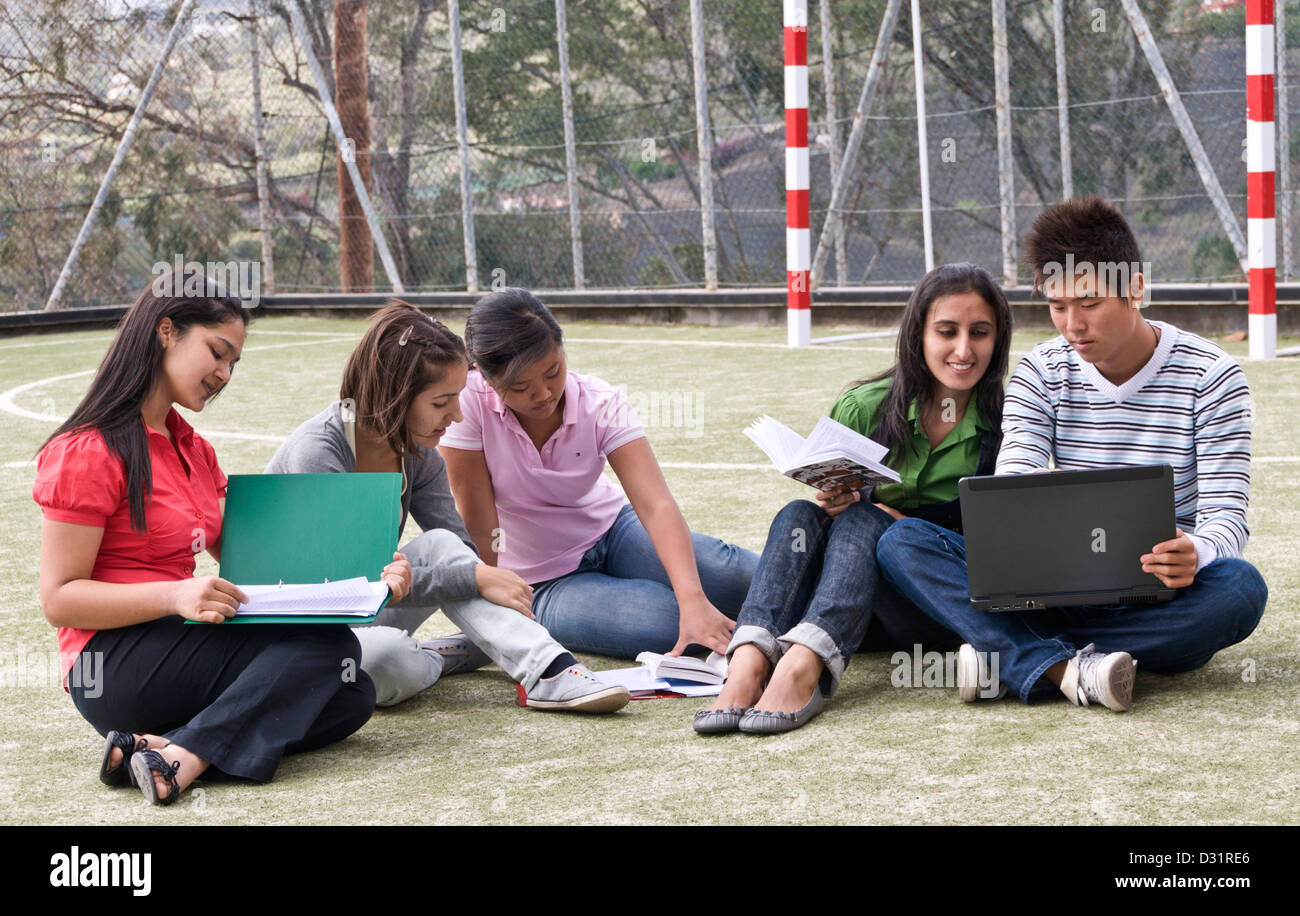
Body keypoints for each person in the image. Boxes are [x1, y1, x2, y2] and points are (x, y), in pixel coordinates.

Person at [876, 196, 1268, 712]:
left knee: (1240, 588)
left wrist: (1196, 551)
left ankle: (1012, 654)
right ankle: (1069, 668)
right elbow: (1013, 485)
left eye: (1089, 304)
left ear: (1136, 289)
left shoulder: (1212, 376)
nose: (1072, 325)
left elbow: (1227, 519)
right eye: (1057, 306)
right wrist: (1023, 526)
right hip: (1048, 585)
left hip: (1153, 587)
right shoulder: (1040, 371)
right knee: (903, 541)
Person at [33, 269, 377, 806]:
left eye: (233, 362)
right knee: (328, 651)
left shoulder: (193, 449)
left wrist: (376, 569)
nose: (224, 373)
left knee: (351, 691)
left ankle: (153, 747)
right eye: (217, 352)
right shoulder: (89, 449)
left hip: (178, 637)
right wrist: (174, 594)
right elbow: (60, 599)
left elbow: (266, 555)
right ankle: (184, 760)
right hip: (111, 661)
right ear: (166, 331)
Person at [694, 262, 1013, 734]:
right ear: (918, 334)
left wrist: (897, 519)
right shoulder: (864, 406)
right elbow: (825, 509)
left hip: (926, 608)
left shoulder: (1004, 421)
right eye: (947, 331)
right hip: (843, 591)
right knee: (800, 514)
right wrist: (838, 495)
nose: (963, 350)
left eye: (979, 333)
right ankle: (748, 664)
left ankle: (805, 669)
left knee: (868, 523)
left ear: (997, 339)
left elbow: (996, 543)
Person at [265, 301, 630, 713]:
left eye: (457, 399)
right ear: (394, 395)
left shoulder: (417, 452)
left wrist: (476, 575)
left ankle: (548, 670)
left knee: (440, 544)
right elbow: (349, 588)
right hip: (296, 636)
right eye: (441, 403)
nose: (456, 416)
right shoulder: (318, 452)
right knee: (390, 659)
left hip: (362, 610)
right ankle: (441, 656)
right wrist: (476, 578)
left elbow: (457, 550)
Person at [439, 288, 758, 661]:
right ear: (488, 379)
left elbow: (655, 505)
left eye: (553, 372)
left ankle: (825, 620)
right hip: (541, 582)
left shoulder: (600, 401)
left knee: (738, 579)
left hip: (612, 531)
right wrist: (494, 608)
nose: (543, 394)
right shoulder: (470, 404)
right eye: (520, 387)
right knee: (667, 623)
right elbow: (479, 522)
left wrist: (695, 599)